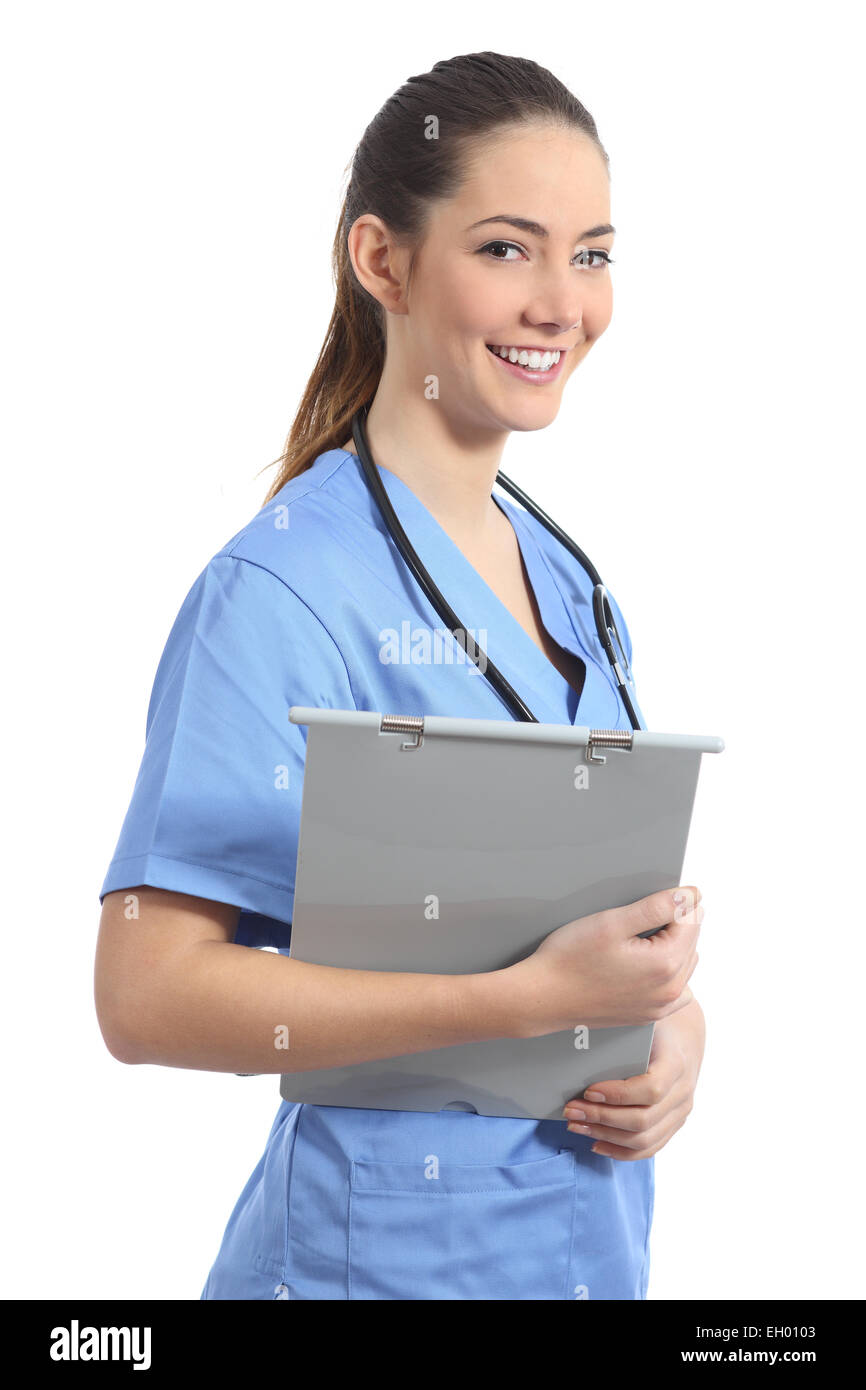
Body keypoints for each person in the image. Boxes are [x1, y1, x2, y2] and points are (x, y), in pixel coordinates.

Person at [94, 50, 705, 1301]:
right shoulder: (279, 590)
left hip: (581, 1256)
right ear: (382, 261)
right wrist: (513, 1001)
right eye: (505, 249)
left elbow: (576, 925)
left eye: (591, 255)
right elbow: (143, 995)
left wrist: (672, 1034)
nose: (560, 302)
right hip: (370, 1269)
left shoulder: (568, 583)